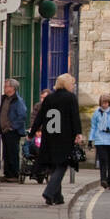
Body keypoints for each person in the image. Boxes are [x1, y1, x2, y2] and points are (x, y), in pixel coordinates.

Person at [28, 73, 83, 206]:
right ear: (66, 84)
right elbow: (75, 116)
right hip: (64, 137)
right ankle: (49, 192)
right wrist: (78, 133)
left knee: (54, 166)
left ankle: (57, 197)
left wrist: (32, 131)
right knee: (62, 165)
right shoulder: (70, 98)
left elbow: (40, 117)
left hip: (49, 136)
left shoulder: (49, 98)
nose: (73, 86)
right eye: (72, 84)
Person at [0, 78, 28, 183]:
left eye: (6, 86)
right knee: (6, 153)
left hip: (12, 132)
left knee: (12, 153)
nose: (4, 88)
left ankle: (14, 174)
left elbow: (22, 115)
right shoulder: (4, 98)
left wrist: (12, 127)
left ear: (12, 88)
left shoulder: (18, 100)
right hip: (4, 130)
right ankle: (7, 173)